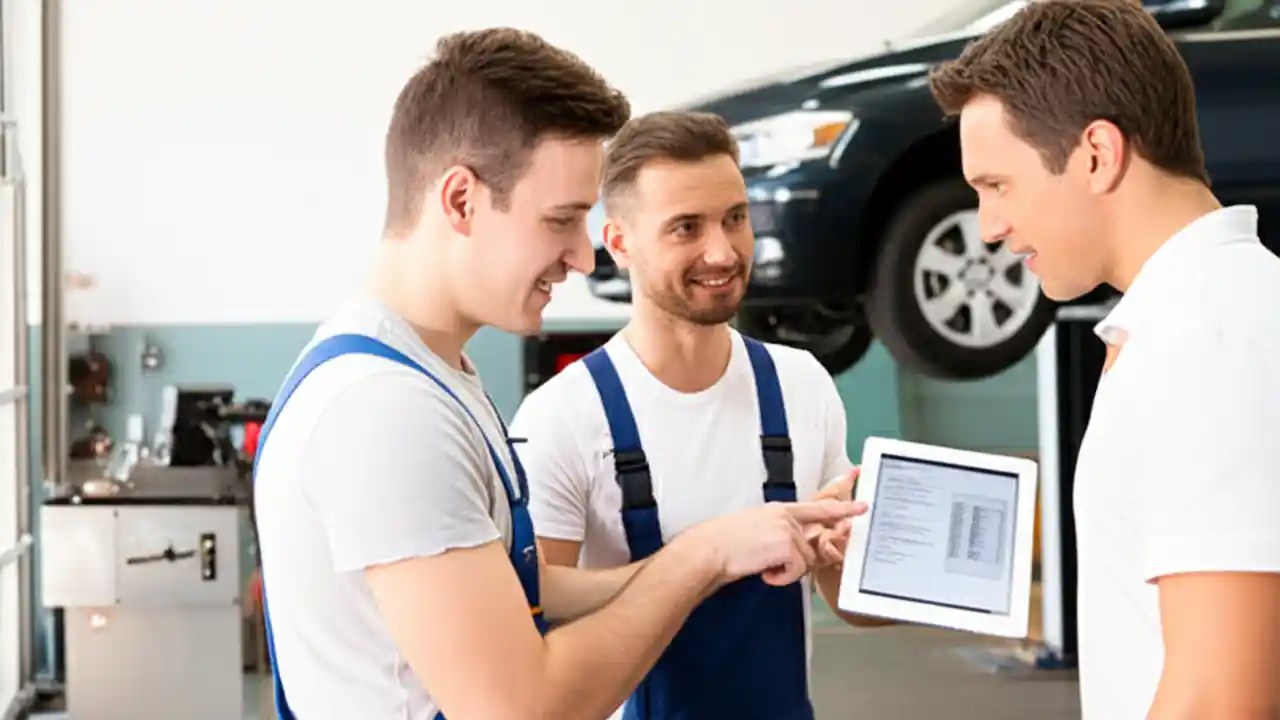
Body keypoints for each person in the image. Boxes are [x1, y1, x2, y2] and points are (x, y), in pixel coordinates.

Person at [250, 28, 861, 720]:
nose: (581, 257)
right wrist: (706, 556)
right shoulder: (384, 414)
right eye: (562, 221)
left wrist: (723, 553)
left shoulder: (429, 379)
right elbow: (525, 709)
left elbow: (520, 588)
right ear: (460, 201)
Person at [928, 1, 1280, 717]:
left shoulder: (1209, 336)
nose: (989, 227)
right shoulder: (1187, 322)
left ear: (1097, 154)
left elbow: (1222, 698)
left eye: (996, 186)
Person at [510, 110, 884, 720]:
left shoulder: (801, 385)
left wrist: (875, 553)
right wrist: (704, 558)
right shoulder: (564, 415)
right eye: (686, 227)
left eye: (735, 218)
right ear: (621, 242)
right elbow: (536, 608)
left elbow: (852, 604)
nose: (722, 250)